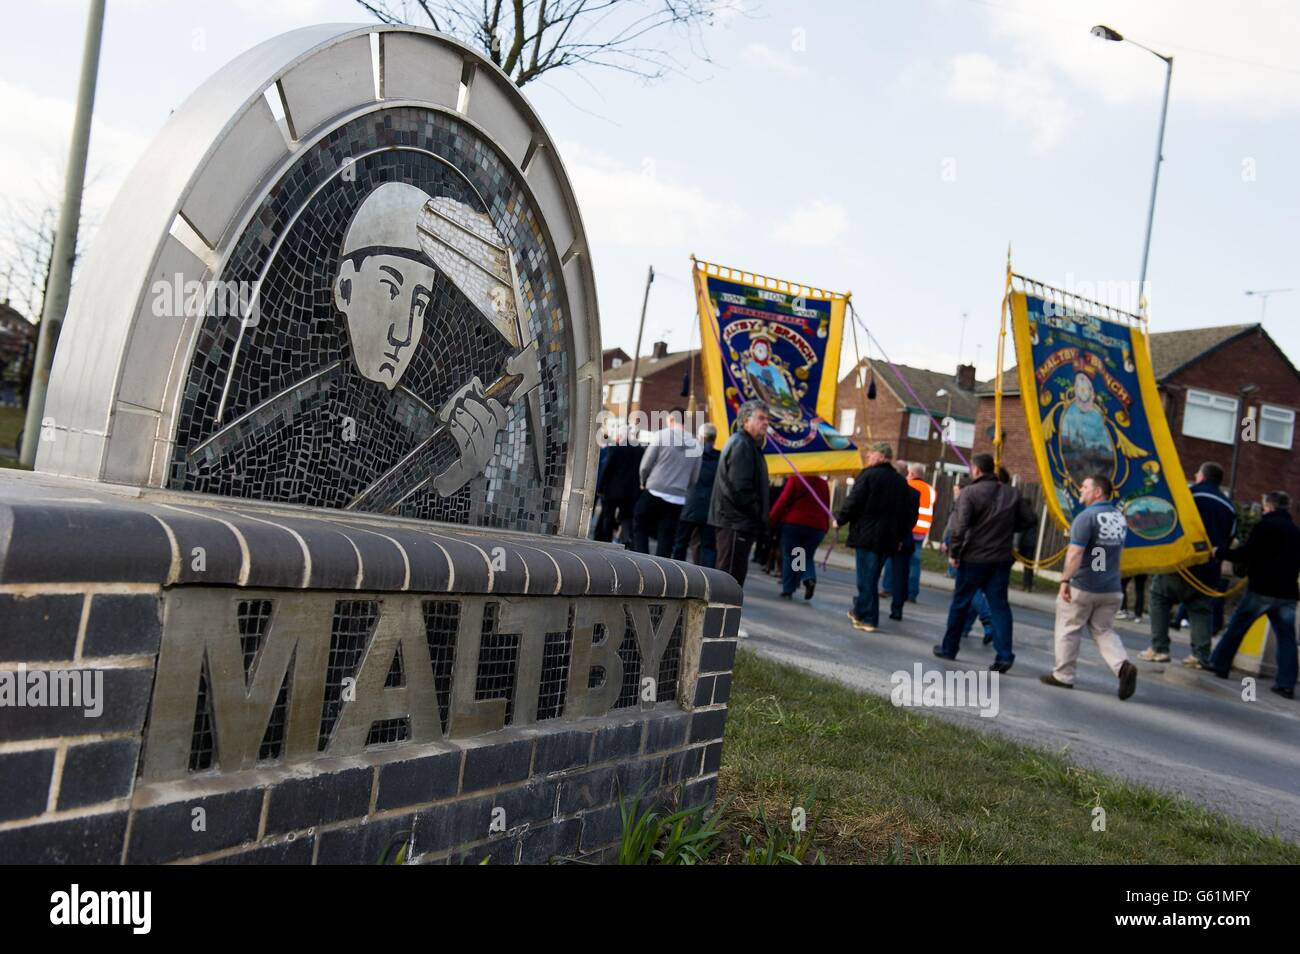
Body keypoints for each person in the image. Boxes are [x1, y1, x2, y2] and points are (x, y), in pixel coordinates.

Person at [934, 453, 1036, 672]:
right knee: (999, 606)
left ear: (977, 470)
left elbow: (960, 527)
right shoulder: (1012, 493)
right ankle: (1005, 655)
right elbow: (1030, 520)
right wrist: (1008, 527)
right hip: (1000, 558)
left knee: (960, 603)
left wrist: (955, 553)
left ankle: (949, 648)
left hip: (974, 557)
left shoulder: (969, 493)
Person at [1039, 474, 1138, 699]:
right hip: (1111, 587)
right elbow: (1103, 553)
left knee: (1069, 628)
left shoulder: (1087, 517)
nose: (1080, 490)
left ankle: (1063, 676)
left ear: (1098, 492)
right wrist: (1099, 573)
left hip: (1083, 587)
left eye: (1084, 487)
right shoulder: (1118, 518)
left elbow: (1075, 553)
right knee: (1103, 630)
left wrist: (1065, 580)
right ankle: (1123, 666)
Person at [1143, 462, 1236, 668]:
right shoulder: (1229, 507)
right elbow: (1229, 538)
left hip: (1182, 563)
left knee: (1159, 596)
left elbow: (1170, 523)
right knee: (1201, 609)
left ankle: (1160, 649)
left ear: (1202, 477)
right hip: (1209, 568)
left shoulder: (1188, 495)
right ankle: (1201, 656)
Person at [1208, 491, 1300, 699]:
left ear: (1269, 506)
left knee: (1237, 627)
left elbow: (1247, 553)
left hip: (1261, 588)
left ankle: (1219, 664)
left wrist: (1221, 552)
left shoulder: (1264, 526)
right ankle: (1286, 684)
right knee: (1287, 639)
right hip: (1287, 593)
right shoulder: (1296, 532)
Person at [837, 442, 916, 632]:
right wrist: (901, 536)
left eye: (871, 454)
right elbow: (908, 515)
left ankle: (869, 618)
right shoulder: (901, 483)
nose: (868, 457)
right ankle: (858, 611)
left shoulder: (869, 476)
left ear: (881, 456)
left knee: (866, 579)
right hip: (888, 538)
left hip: (867, 534)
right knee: (870, 577)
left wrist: (840, 519)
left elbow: (855, 500)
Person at [709, 400, 771, 584]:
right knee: (728, 581)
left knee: (732, 580)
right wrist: (757, 513)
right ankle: (721, 614)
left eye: (767, 419)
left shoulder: (749, 445)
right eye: (761, 418)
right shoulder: (742, 445)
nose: (766, 423)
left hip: (738, 522)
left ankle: (725, 613)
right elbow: (739, 489)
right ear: (745, 421)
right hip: (735, 523)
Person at [633, 409, 700, 556]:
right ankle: (661, 571)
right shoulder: (695, 443)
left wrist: (643, 481)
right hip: (678, 497)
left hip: (655, 489)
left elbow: (645, 465)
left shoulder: (662, 435)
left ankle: (640, 558)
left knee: (639, 524)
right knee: (667, 537)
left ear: (671, 419)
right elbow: (694, 477)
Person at [942, 476, 994, 644]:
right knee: (973, 590)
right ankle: (966, 627)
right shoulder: (983, 501)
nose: (955, 490)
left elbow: (956, 526)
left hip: (967, 550)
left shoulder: (965, 501)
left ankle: (987, 620)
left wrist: (951, 547)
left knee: (969, 590)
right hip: (983, 550)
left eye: (957, 487)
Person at [769, 472, 831, 600]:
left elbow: (783, 500)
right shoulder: (823, 484)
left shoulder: (795, 479)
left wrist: (771, 518)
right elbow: (826, 506)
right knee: (805, 556)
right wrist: (826, 526)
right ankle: (809, 578)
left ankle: (788, 589)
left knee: (791, 556)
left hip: (794, 522)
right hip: (817, 526)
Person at [882, 463, 934, 604]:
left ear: (911, 474)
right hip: (922, 530)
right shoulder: (930, 489)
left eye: (908, 473)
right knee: (915, 563)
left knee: (892, 558)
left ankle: (888, 588)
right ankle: (912, 594)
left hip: (906, 529)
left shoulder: (906, 485)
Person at [672, 422, 720, 567]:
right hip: (710, 508)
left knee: (681, 543)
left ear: (699, 437)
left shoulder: (689, 453)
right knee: (708, 547)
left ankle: (676, 575)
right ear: (714, 438)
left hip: (688, 504)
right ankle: (708, 580)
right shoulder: (720, 458)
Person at [594, 426, 643, 544]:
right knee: (626, 517)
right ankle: (627, 540)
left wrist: (600, 487)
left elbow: (607, 469)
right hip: (631, 492)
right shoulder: (640, 450)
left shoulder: (614, 448)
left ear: (620, 436)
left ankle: (606, 540)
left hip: (612, 491)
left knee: (608, 517)